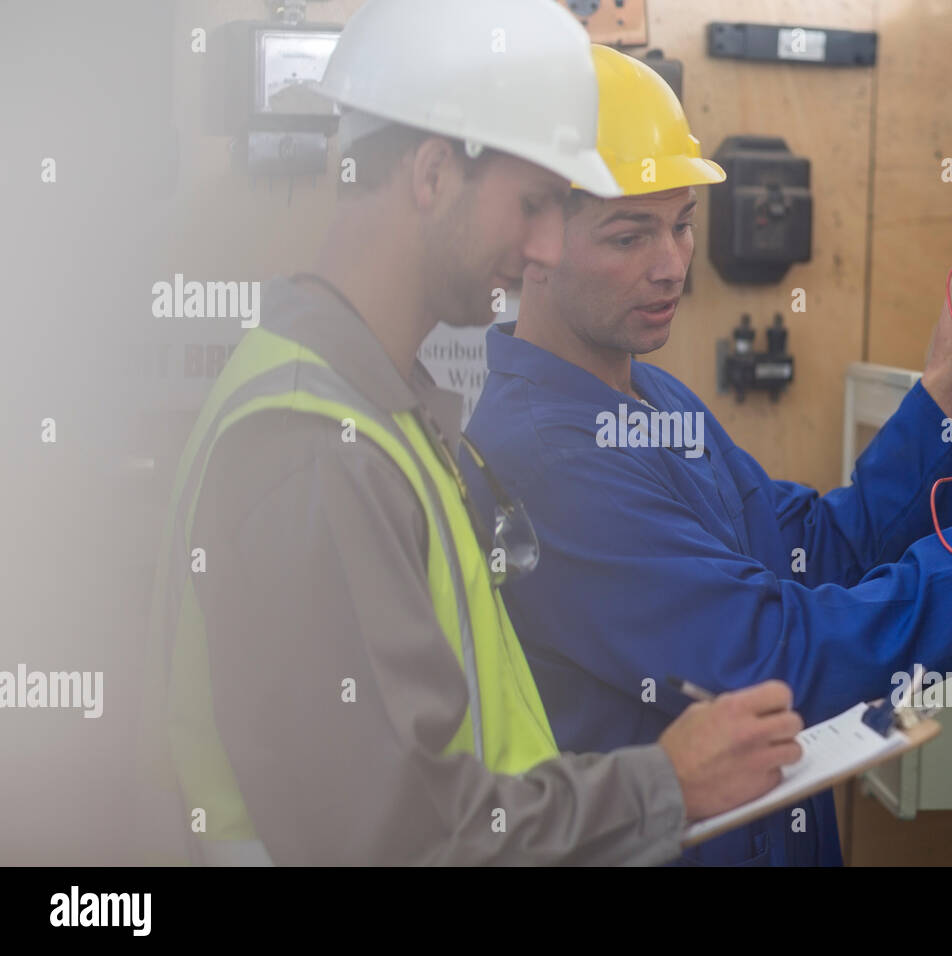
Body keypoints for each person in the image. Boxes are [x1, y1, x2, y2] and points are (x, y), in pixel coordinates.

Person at [147, 0, 802, 866]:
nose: (543, 248)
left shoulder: (379, 411)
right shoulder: (310, 445)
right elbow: (393, 838)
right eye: (533, 203)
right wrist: (662, 787)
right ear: (430, 174)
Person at [465, 46, 952, 866]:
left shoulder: (652, 398)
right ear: (532, 243)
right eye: (628, 235)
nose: (671, 264)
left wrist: (945, 388)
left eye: (681, 224)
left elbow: (817, 548)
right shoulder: (549, 460)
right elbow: (775, 654)